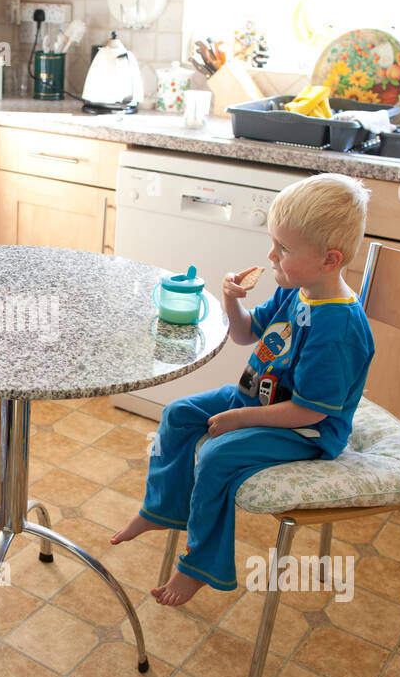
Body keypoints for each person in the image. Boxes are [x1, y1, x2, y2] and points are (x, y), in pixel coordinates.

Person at [110, 173, 374, 606]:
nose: (271, 255)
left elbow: (308, 413)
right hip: (257, 400)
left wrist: (239, 419)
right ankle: (162, 509)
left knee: (216, 457)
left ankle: (200, 565)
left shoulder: (338, 328)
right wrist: (231, 300)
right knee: (178, 414)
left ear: (329, 260)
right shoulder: (298, 291)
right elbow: (246, 333)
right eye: (274, 243)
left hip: (302, 433)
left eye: (284, 249)